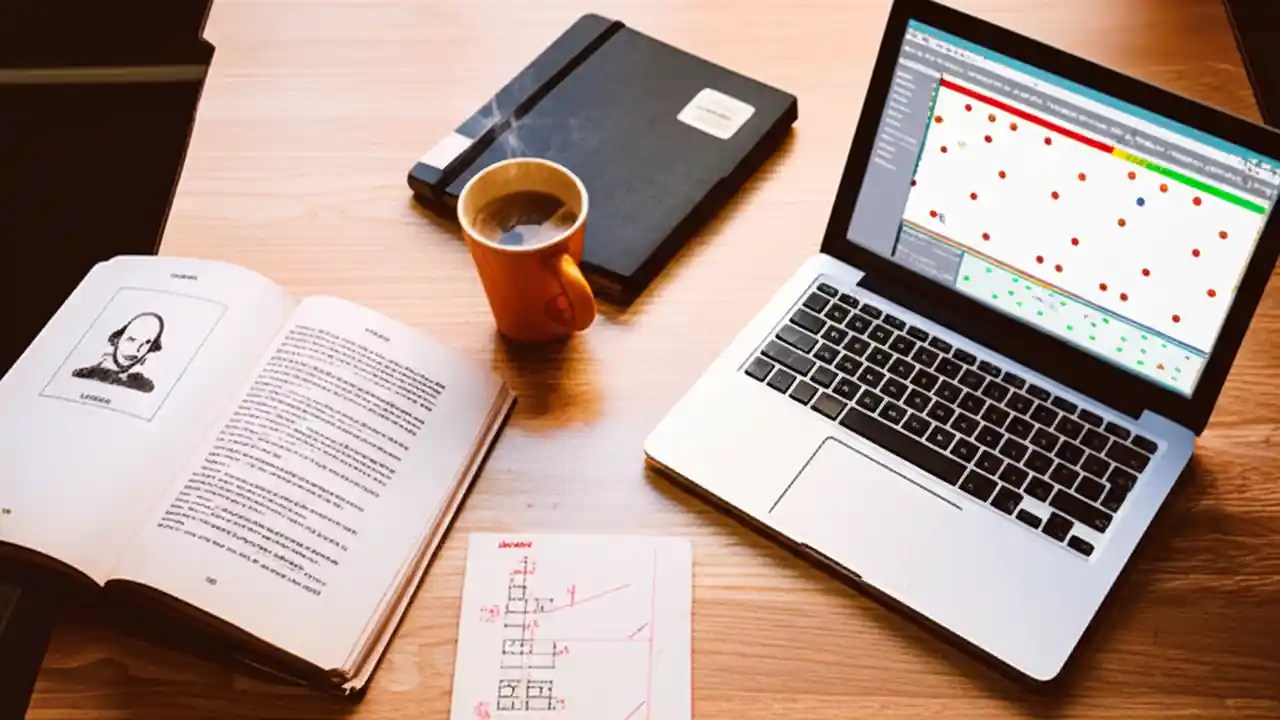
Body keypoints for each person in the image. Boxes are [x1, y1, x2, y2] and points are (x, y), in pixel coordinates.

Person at [71, 312, 165, 393]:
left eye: (147, 343)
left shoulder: (143, 385)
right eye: (131, 339)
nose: (137, 350)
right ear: (117, 338)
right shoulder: (85, 374)